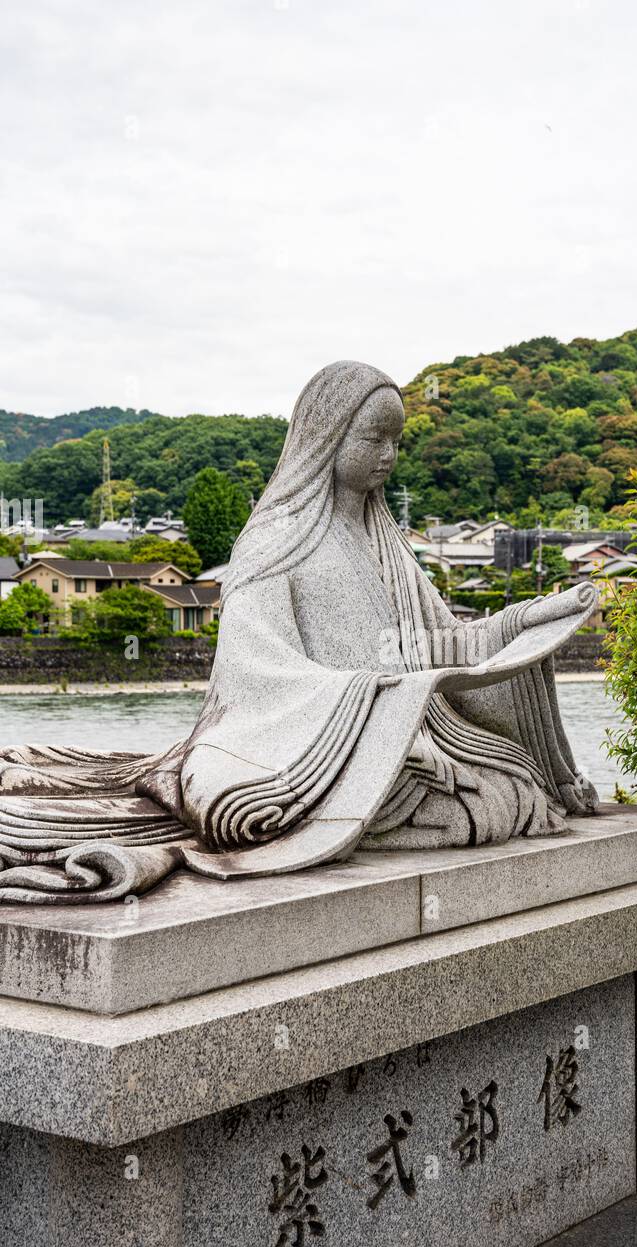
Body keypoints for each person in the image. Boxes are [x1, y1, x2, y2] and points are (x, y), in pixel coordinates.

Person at [0, 362, 599, 904]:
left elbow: (442, 644)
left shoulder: (386, 544)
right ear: (327, 436)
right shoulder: (275, 540)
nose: (389, 454)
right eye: (373, 438)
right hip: (291, 747)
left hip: (402, 734)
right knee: (461, 805)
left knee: (515, 789)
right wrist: (374, 708)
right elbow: (258, 671)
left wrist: (525, 621)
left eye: (397, 440)